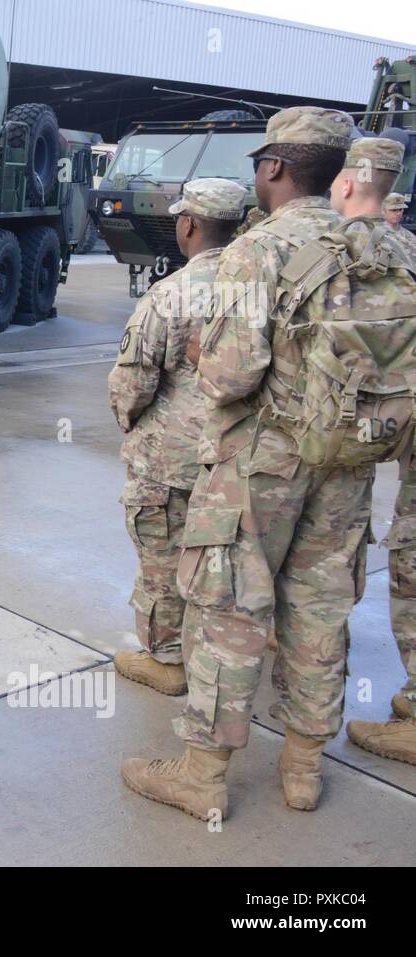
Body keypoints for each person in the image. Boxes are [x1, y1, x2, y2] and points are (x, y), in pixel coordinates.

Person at [121, 106, 384, 820]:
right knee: (322, 604)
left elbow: (232, 376)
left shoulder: (256, 251)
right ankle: (302, 767)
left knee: (231, 610)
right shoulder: (379, 247)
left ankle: (203, 774)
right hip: (346, 458)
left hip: (260, 467)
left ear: (272, 167)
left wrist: (206, 357)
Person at [108, 178, 246, 697]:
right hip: (238, 459)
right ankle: (223, 649)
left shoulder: (173, 293)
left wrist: (131, 423)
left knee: (163, 559)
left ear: (187, 225)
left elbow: (132, 383)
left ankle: (167, 658)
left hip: (171, 460)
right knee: (222, 557)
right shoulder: (264, 288)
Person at [330, 138, 416, 766]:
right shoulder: (409, 251)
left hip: (340, 441)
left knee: (409, 562)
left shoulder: (328, 255)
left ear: (346, 183)